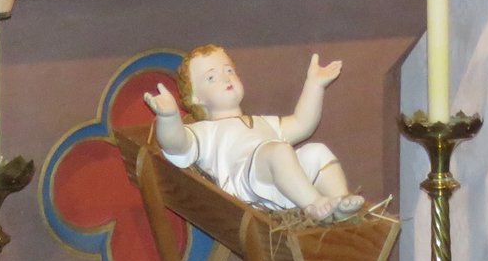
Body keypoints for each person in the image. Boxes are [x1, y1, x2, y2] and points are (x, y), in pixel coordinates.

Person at [143, 46, 364, 220]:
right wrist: (169, 117)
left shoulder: (261, 122)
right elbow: (176, 144)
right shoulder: (205, 132)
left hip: (285, 185)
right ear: (195, 98)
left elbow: (302, 124)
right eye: (211, 78)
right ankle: (314, 204)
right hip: (247, 187)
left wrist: (315, 85)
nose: (226, 78)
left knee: (317, 151)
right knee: (278, 151)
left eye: (229, 71)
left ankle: (339, 201)